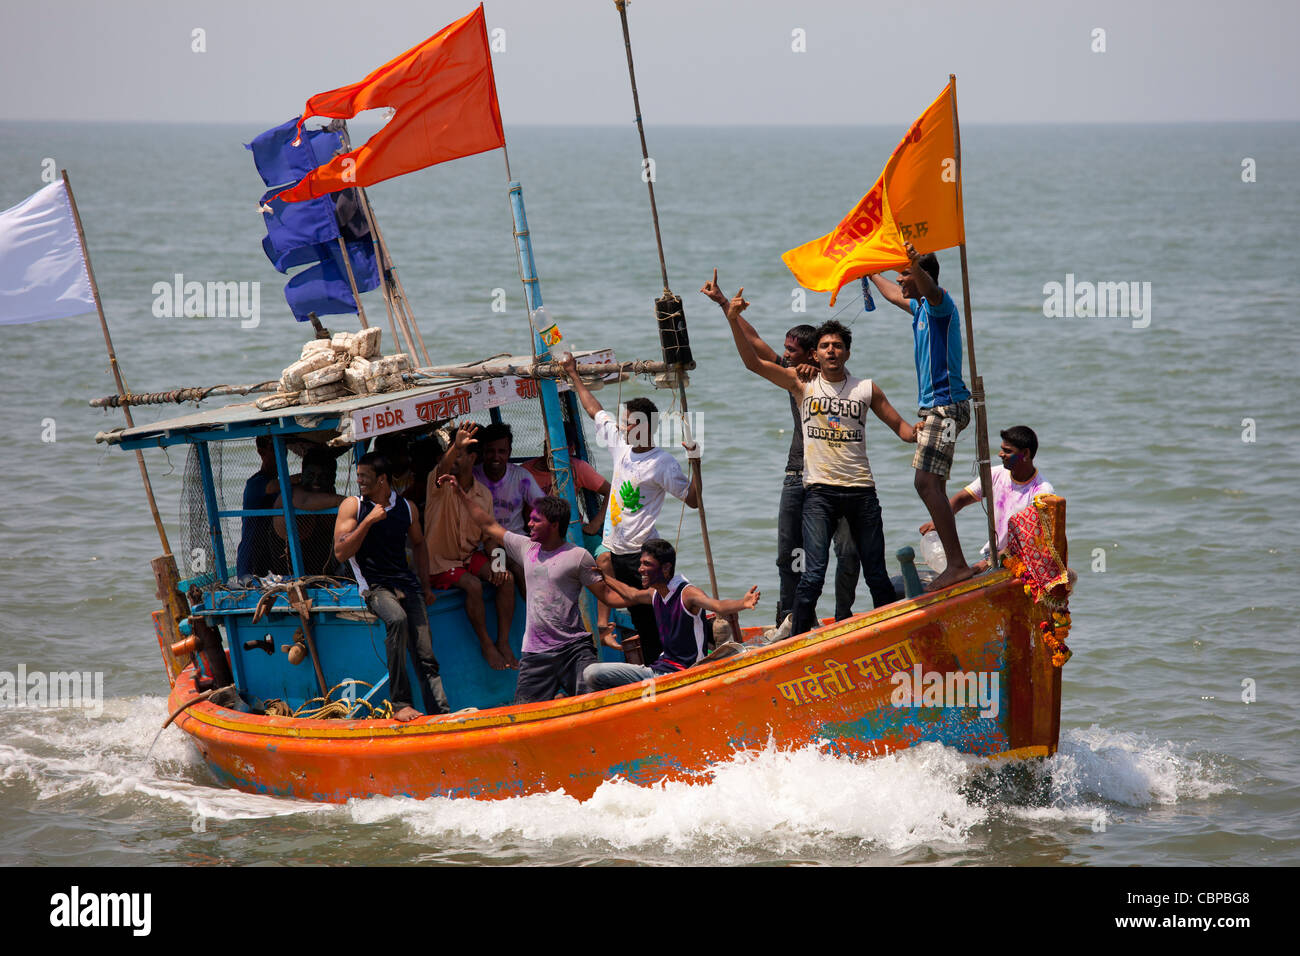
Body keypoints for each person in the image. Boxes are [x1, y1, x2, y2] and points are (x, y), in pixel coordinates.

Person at [714, 283, 917, 636]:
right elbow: (753, 361)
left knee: (874, 570)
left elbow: (903, 428)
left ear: (847, 353)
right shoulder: (800, 383)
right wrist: (731, 317)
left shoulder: (866, 388)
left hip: (861, 491)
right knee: (813, 570)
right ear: (817, 355)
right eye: (825, 346)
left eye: (838, 345)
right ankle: (795, 636)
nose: (832, 350)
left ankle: (887, 632)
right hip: (818, 492)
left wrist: (932, 429)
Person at [701, 269, 860, 627]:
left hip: (836, 477)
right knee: (791, 555)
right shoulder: (792, 376)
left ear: (813, 356)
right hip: (796, 474)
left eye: (792, 352)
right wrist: (727, 306)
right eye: (785, 351)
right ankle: (788, 619)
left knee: (847, 553)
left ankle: (845, 616)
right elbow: (755, 345)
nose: (785, 357)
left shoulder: (825, 378)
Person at [440, 478, 633, 704]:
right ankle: (559, 698)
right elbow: (488, 524)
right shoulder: (525, 548)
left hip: (575, 650)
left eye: (536, 520)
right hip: (535, 653)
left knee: (593, 703)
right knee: (524, 714)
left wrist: (643, 598)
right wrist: (461, 493)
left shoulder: (578, 556)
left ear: (553, 525)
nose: (529, 524)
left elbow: (607, 595)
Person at [560, 352, 700, 663]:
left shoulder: (662, 463)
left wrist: (697, 466)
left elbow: (691, 500)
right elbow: (594, 409)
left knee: (653, 617)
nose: (623, 429)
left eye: (630, 425)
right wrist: (573, 374)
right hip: (616, 550)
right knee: (636, 613)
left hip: (643, 553)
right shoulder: (620, 446)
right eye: (623, 424)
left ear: (647, 427)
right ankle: (643, 658)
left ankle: (670, 665)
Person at [868, 242, 973, 591]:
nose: (901, 282)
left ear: (920, 275)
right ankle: (954, 560)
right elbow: (890, 295)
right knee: (935, 484)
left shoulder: (940, 305)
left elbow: (929, 286)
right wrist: (869, 272)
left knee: (924, 483)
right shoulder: (919, 310)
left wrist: (916, 264)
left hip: (946, 406)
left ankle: (956, 564)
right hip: (937, 408)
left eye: (905, 275)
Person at [333, 452, 448, 722]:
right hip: (375, 587)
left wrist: (426, 585)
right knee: (397, 619)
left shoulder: (406, 507)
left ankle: (440, 714)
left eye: (364, 476)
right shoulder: (354, 507)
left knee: (426, 655)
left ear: (382, 479)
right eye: (358, 475)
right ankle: (400, 704)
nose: (359, 480)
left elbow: (419, 544)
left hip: (406, 583)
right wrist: (369, 520)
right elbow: (340, 552)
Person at [583, 539, 760, 691]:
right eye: (641, 563)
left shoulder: (687, 594)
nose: (640, 569)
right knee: (593, 675)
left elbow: (719, 606)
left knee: (593, 673)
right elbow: (630, 594)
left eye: (647, 564)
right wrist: (605, 577)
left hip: (684, 673)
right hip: (659, 670)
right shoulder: (655, 594)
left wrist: (742, 603)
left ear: (666, 568)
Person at [425, 422, 518, 671]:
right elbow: (443, 466)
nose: (454, 459)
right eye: (453, 452)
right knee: (473, 585)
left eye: (461, 454)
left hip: (467, 558)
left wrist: (498, 565)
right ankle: (487, 644)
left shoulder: (483, 494)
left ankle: (504, 641)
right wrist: (456, 446)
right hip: (439, 562)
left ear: (472, 459)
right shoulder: (439, 484)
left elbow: (490, 538)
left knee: (506, 578)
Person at [920, 425, 1054, 571]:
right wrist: (937, 521)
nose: (1000, 454)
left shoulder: (1042, 492)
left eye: (1007, 451)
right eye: (1002, 449)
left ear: (1026, 454)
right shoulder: (995, 474)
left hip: (1022, 559)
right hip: (992, 556)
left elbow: (1031, 540)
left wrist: (987, 563)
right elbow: (961, 499)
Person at [473, 421, 544, 596]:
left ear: (509, 453)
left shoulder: (521, 477)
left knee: (537, 570)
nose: (495, 457)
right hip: (483, 546)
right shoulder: (473, 477)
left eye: (501, 451)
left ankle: (542, 619)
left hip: (515, 541)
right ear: (483, 452)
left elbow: (543, 508)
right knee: (509, 573)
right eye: (490, 451)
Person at [271, 446, 345, 575]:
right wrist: (351, 502)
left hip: (324, 569)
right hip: (287, 571)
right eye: (311, 475)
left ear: (332, 478)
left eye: (323, 476)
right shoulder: (293, 493)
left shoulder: (328, 495)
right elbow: (304, 501)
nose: (316, 481)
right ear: (302, 475)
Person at [236, 435, 281, 578]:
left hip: (269, 552)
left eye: (283, 451)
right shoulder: (256, 483)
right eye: (275, 451)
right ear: (262, 453)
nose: (281, 457)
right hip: (252, 554)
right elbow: (273, 487)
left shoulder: (278, 484)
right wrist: (302, 479)